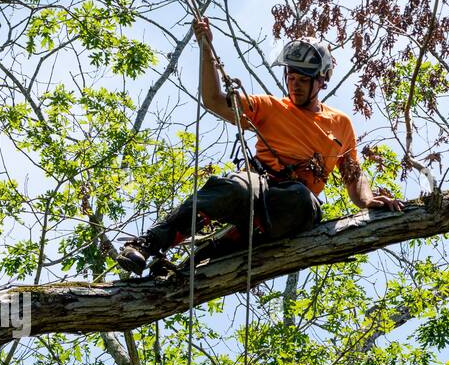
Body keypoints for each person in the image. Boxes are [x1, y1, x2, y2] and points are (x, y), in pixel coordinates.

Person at [117, 16, 403, 275]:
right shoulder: (268, 107)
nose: (295, 85)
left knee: (300, 198)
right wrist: (206, 49)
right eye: (291, 77)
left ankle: (214, 251)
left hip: (293, 207)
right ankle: (148, 245)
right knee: (235, 187)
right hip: (259, 186)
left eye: (303, 80)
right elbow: (214, 101)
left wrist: (367, 200)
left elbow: (353, 174)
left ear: (321, 81)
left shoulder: (339, 123)